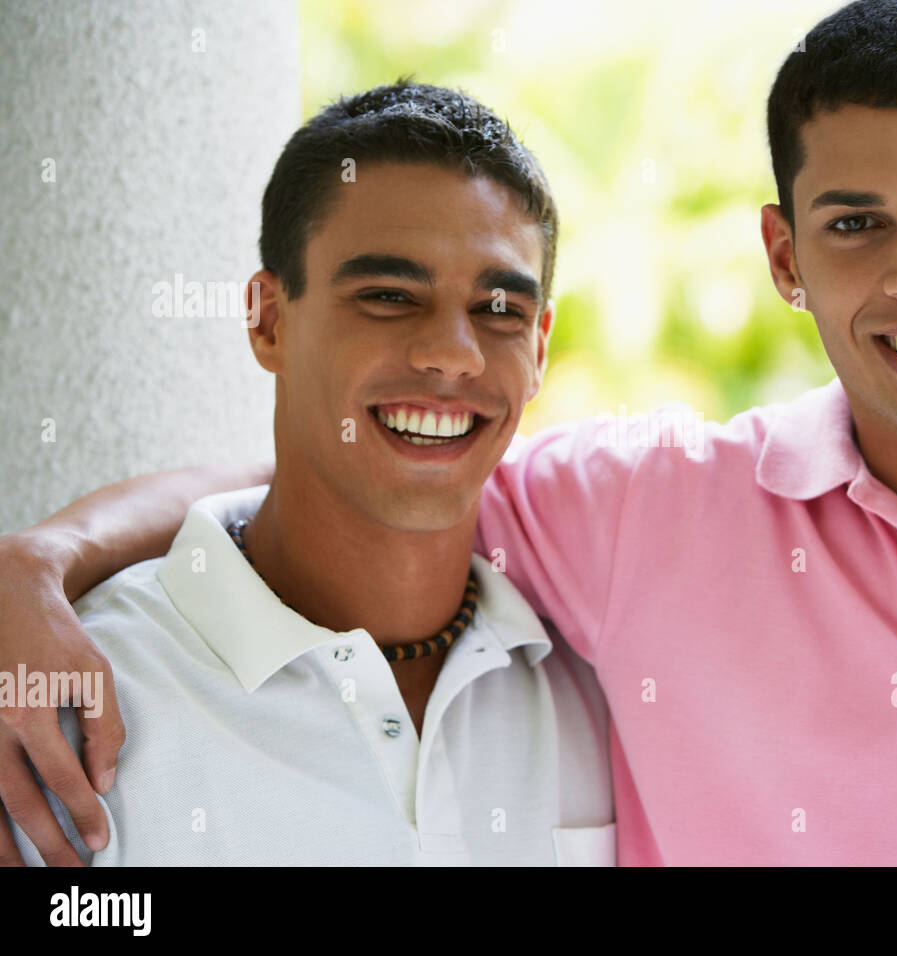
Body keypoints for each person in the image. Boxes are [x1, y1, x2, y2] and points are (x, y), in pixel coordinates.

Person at [3, 0, 897, 866]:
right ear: (785, 255)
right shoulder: (644, 514)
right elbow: (373, 458)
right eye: (856, 223)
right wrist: (42, 561)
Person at [5, 82, 614, 865]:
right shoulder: (70, 704)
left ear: (540, 347)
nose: (455, 355)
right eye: (389, 296)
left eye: (500, 309)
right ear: (269, 320)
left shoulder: (603, 682)